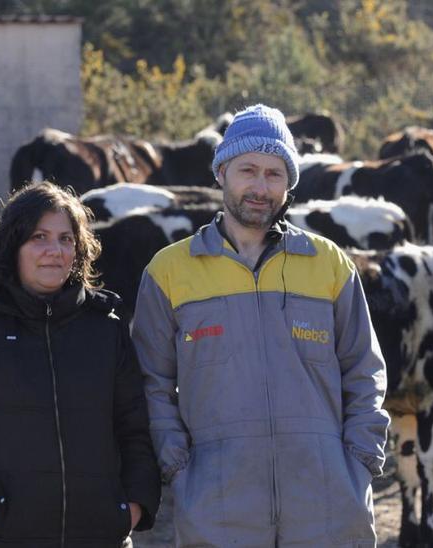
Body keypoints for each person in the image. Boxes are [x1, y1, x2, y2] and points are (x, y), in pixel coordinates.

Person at [131, 104, 390, 546]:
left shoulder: (330, 265)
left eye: (274, 173)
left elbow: (364, 370)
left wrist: (359, 460)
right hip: (218, 510)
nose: (259, 186)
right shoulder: (169, 271)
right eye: (247, 169)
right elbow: (152, 381)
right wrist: (178, 464)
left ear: (289, 184)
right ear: (221, 173)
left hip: (328, 507)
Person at [0, 182, 160, 547]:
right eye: (39, 237)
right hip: (2, 539)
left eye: (65, 239)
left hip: (101, 537)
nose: (54, 251)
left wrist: (133, 507)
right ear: (13, 245)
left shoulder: (106, 329)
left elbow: (136, 429)